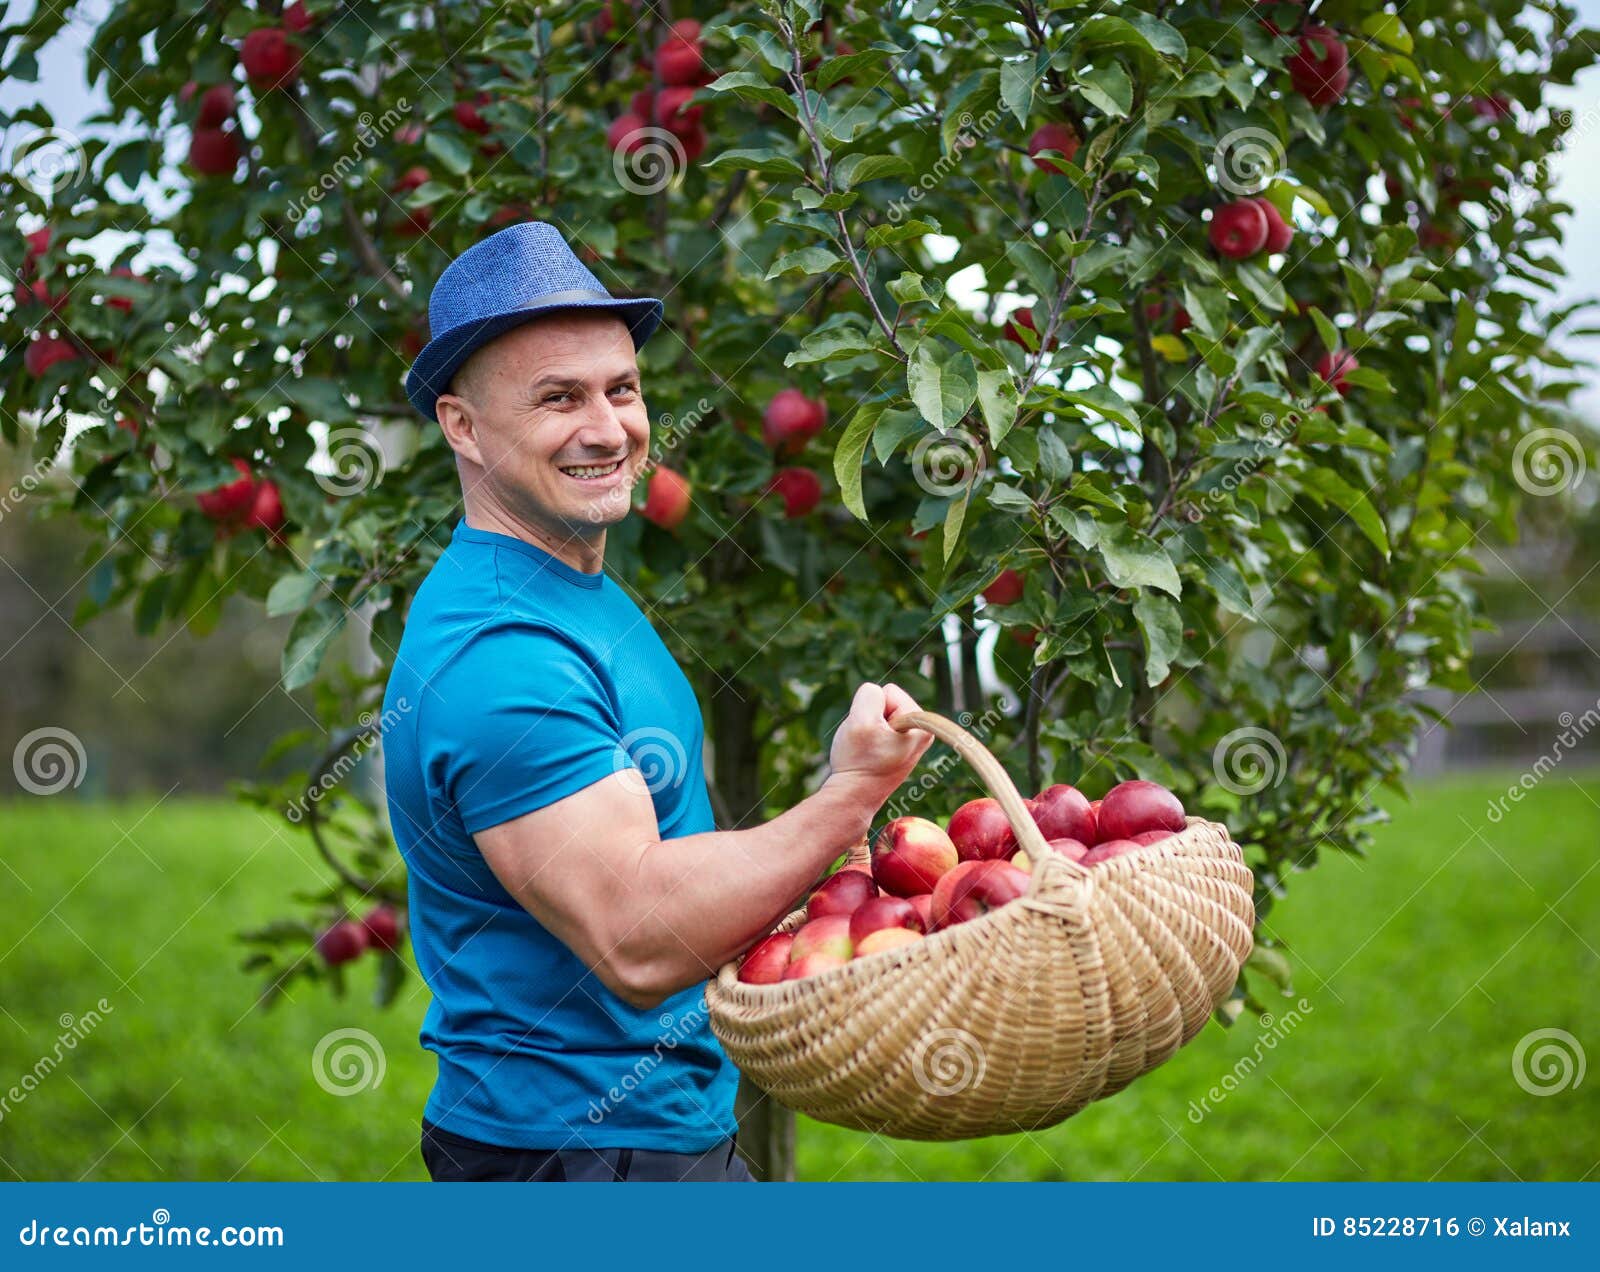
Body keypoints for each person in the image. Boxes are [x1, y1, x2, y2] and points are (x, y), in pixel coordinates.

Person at [382, 221, 933, 1182]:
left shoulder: (575, 586)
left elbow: (664, 854)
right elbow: (636, 937)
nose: (607, 428)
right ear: (461, 425)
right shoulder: (500, 657)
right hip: (575, 1156)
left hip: (650, 1135)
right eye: (558, 398)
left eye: (621, 389)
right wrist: (848, 798)